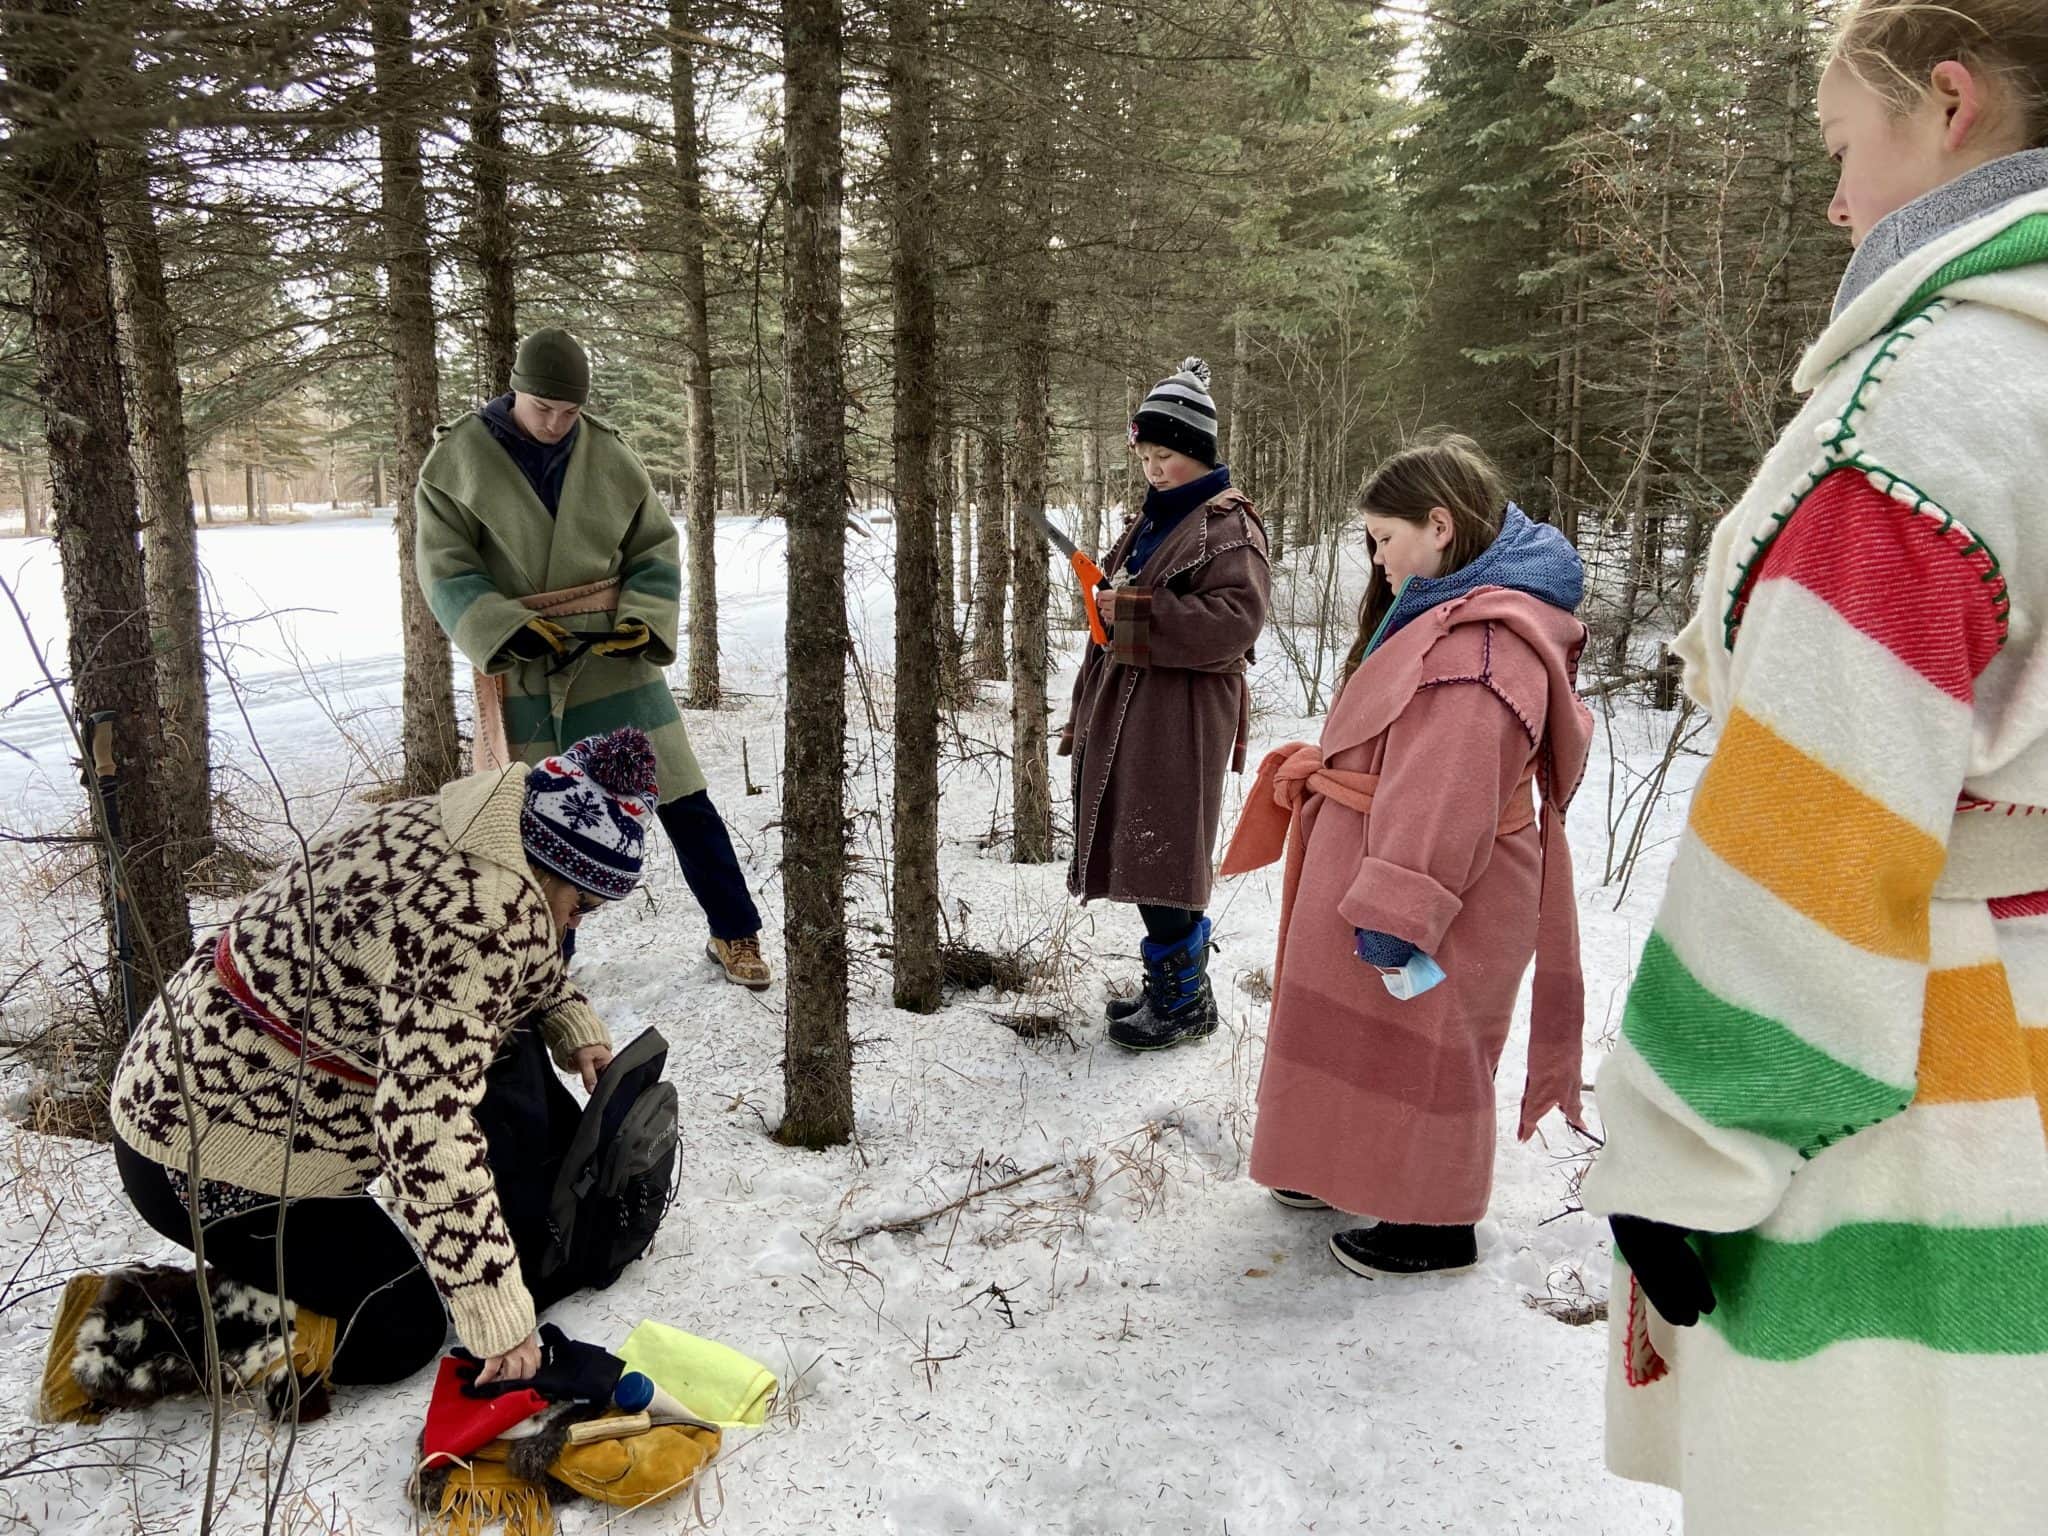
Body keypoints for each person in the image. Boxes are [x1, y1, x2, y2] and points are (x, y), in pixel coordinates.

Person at [1578, 3, 2048, 1529]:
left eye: (1845, 149)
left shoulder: (1926, 425)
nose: (1837, 204)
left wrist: (1683, 1153)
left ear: (1952, 101)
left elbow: (1815, 841)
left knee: (1902, 1468)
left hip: (1937, 1083)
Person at [102, 729, 659, 1391]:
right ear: (543, 867)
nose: (573, 927)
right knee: (398, 1327)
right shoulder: (480, 918)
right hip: (202, 1149)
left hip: (190, 1072)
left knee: (501, 1048)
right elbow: (424, 1126)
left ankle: (518, 1230)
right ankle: (129, 1334)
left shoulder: (474, 831)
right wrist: (497, 1313)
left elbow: (480, 972)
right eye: (580, 907)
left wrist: (569, 1020)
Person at [1227, 434, 1592, 1277]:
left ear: (1439, 526)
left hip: (1434, 882)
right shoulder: (1449, 613)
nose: (1378, 559)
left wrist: (1400, 913)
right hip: (1371, 857)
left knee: (1425, 1050)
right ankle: (1329, 1165)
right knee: (1350, 1035)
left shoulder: (1483, 652)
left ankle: (1433, 1224)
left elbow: (1447, 796)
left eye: (1385, 539)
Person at [415, 326, 771, 990]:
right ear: (515, 390)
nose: (555, 423)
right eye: (542, 408)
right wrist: (504, 628)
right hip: (525, 662)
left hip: (614, 657)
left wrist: (642, 621)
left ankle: (734, 931)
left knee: (682, 798)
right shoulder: (455, 460)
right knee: (529, 818)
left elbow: (654, 548)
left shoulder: (608, 453)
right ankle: (542, 963)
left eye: (569, 411)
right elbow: (444, 568)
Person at [1059, 357, 1271, 1052]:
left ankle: (1183, 1002)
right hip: (1136, 705)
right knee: (1146, 843)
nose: (1154, 468)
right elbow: (1131, 597)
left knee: (1166, 846)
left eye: (1168, 455)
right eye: (1147, 455)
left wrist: (1133, 612)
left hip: (1180, 715)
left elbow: (1236, 623)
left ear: (1198, 453)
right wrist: (1107, 599)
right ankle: (1178, 991)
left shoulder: (1227, 526)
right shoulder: (1160, 516)